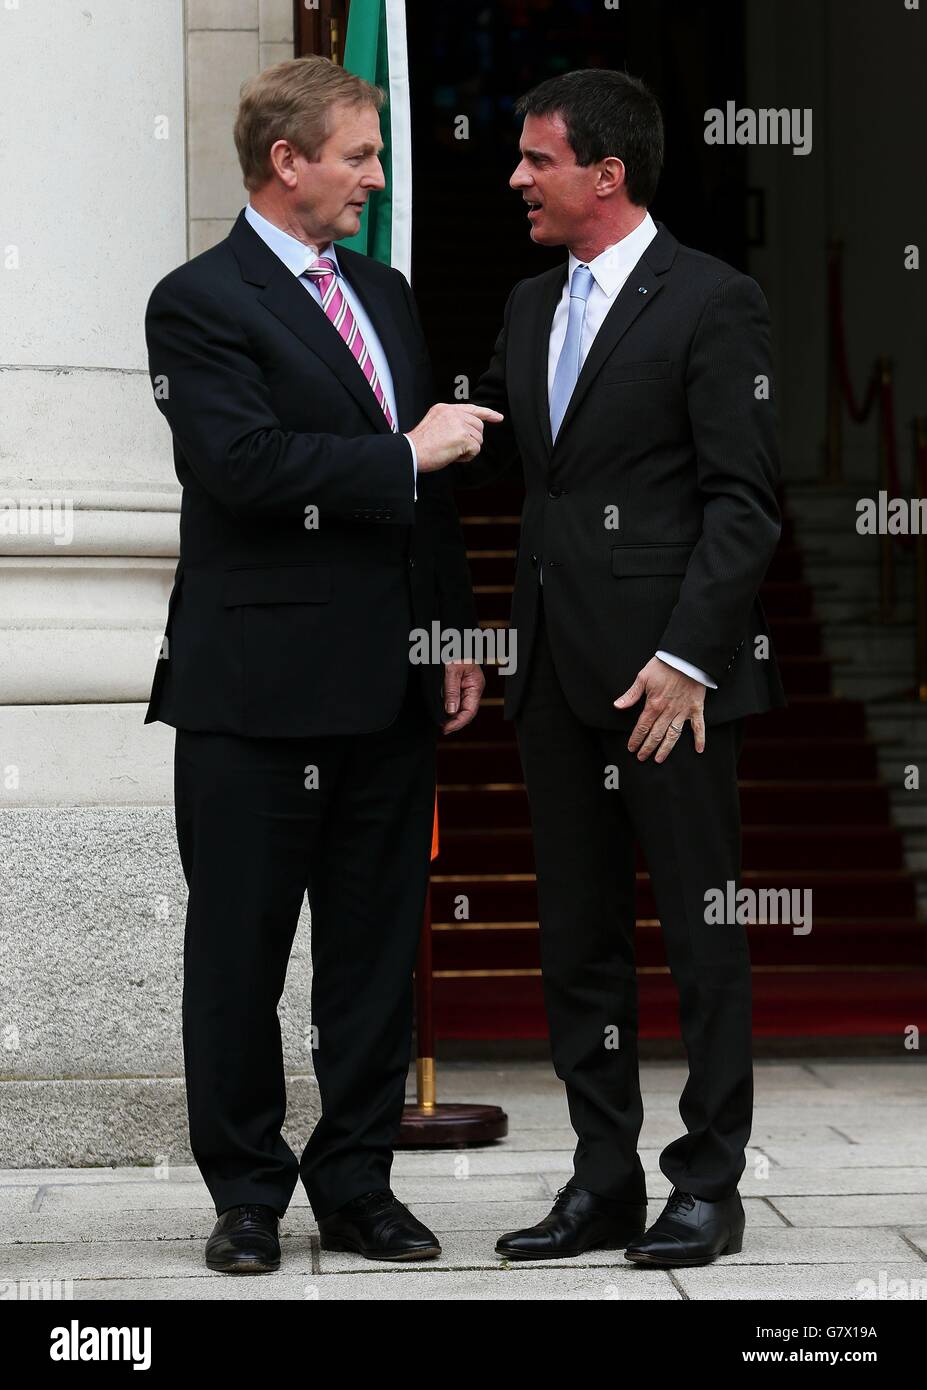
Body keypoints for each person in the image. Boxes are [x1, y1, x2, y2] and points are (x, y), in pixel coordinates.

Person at [144, 55, 498, 1271]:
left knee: (371, 954)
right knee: (238, 955)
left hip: (389, 683)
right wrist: (405, 452)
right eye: (359, 153)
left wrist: (449, 627)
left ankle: (357, 1185)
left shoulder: (387, 294)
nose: (376, 176)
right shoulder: (196, 301)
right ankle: (246, 1195)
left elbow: (432, 494)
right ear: (285, 160)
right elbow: (241, 467)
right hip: (251, 693)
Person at [455, 68, 785, 1267]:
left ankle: (708, 1183)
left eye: (536, 159)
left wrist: (691, 656)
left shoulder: (715, 301)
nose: (516, 179)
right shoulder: (530, 304)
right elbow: (500, 450)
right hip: (554, 675)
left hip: (670, 687)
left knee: (703, 931)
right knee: (578, 939)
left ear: (607, 173)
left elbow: (743, 504)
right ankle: (603, 1180)